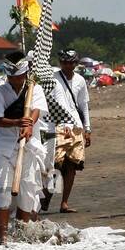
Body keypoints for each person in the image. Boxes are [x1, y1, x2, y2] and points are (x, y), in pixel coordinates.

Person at [0, 52, 49, 242]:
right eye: (11, 75)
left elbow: (36, 110)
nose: (14, 79)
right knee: (4, 192)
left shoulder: (34, 89)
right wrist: (17, 122)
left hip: (28, 146)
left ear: (25, 74)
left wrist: (29, 125)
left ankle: (22, 235)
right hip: (3, 148)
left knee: (27, 192)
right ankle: (3, 236)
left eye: (18, 75)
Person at [48, 49, 92, 214]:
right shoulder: (53, 79)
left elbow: (83, 105)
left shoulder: (80, 80)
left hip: (76, 126)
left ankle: (64, 202)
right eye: (65, 62)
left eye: (71, 62)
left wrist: (87, 128)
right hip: (58, 125)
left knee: (72, 166)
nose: (68, 65)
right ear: (60, 63)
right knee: (55, 163)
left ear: (76, 63)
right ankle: (48, 193)